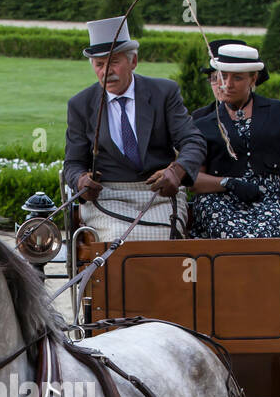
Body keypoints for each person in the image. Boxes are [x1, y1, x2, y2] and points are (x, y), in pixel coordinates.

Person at [63, 17, 206, 242]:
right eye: (99, 65)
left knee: (162, 238)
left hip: (158, 194)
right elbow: (72, 163)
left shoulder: (164, 93)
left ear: (134, 61)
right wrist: (81, 180)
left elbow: (193, 141)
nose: (106, 71)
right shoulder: (80, 105)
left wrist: (176, 171)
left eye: (114, 62)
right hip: (108, 197)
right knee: (118, 240)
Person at [188, 41, 280, 239]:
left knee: (268, 234)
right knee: (230, 234)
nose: (227, 84)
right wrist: (228, 183)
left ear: (254, 78)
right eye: (223, 77)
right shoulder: (204, 122)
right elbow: (193, 180)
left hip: (267, 197)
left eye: (237, 78)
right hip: (217, 198)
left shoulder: (278, 112)